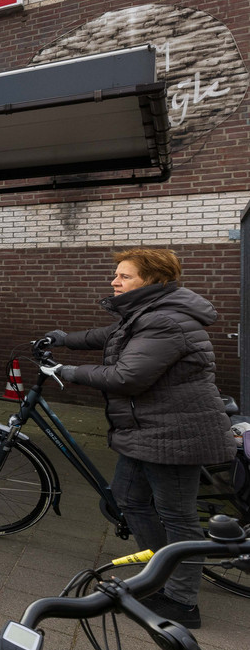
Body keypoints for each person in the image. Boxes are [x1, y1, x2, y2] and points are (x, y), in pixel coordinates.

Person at [44, 247, 234, 629]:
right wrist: (63, 338)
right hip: (146, 431)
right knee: (127, 499)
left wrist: (67, 370)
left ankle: (181, 601)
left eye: (124, 276)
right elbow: (107, 335)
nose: (114, 282)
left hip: (174, 433)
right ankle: (157, 570)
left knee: (177, 517)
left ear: (153, 280)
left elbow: (127, 377)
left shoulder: (166, 321)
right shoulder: (145, 313)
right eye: (116, 275)